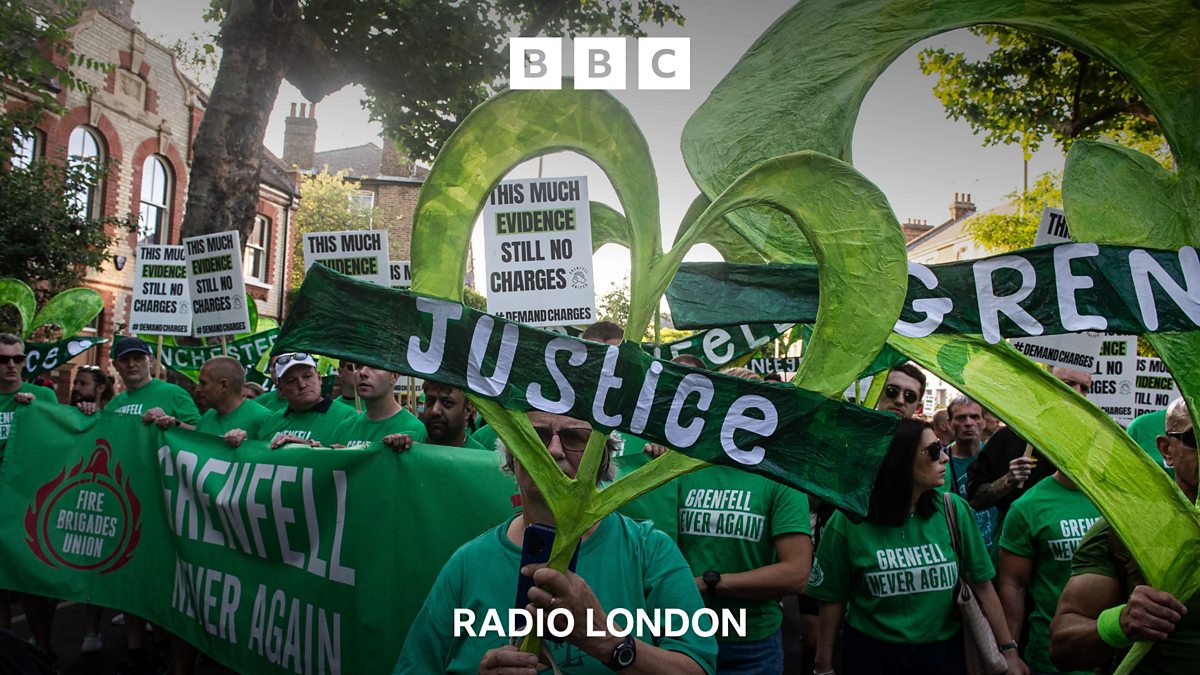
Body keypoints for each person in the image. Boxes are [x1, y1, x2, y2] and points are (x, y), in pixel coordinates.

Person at [394, 410, 718, 673]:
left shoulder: (648, 551)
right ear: (511, 456)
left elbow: (698, 667)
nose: (554, 451)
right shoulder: (468, 564)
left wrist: (608, 642)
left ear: (604, 460)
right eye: (536, 436)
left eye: (576, 438)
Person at [809, 419, 1027, 675]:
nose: (944, 458)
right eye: (933, 451)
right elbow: (832, 599)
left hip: (943, 655)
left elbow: (983, 586)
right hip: (871, 655)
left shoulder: (953, 510)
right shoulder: (849, 522)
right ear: (898, 460)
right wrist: (823, 665)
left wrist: (1009, 651)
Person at [676, 367, 812, 673]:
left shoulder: (780, 478)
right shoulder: (680, 467)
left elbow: (796, 573)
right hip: (684, 635)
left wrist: (709, 584)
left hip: (751, 644)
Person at [1050, 397, 1198, 674]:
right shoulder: (1122, 531)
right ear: (1167, 449)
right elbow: (1063, 644)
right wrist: (1119, 623)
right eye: (1194, 438)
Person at [86, 336, 200, 675]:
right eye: (125, 360)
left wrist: (172, 421)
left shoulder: (173, 394)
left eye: (139, 358)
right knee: (129, 577)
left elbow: (202, 433)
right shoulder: (116, 404)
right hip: (124, 503)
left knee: (161, 578)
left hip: (165, 502)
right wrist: (89, 414)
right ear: (116, 366)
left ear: (150, 361)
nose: (132, 364)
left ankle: (166, 644)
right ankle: (136, 652)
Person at [997, 467, 1100, 675]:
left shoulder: (1116, 497)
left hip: (1114, 654)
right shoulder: (1027, 507)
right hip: (1052, 658)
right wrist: (1010, 653)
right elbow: (1014, 586)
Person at [968, 367, 1093, 521]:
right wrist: (1008, 480)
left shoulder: (1094, 442)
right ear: (1044, 386)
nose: (1078, 393)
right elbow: (976, 500)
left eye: (1085, 388)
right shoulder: (1010, 437)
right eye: (1068, 384)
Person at [0, 334, 57, 638]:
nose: (12, 365)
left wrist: (36, 413)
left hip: (28, 506)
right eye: (3, 359)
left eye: (18, 359)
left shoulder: (43, 397)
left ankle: (44, 650)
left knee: (31, 585)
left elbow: (62, 439)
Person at [69, 364, 113, 655]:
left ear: (99, 389)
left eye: (83, 383)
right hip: (69, 498)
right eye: (75, 382)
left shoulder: (111, 419)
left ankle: (92, 629)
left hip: (100, 501)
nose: (76, 388)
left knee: (94, 569)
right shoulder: (62, 415)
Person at [226, 352, 358, 449]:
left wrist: (311, 449)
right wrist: (243, 445)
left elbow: (353, 465)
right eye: (291, 381)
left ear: (319, 378)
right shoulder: (272, 421)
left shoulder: (347, 417)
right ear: (280, 389)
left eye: (307, 376)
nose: (302, 384)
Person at [153, 356, 271, 438]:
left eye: (204, 383)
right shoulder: (208, 417)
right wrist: (174, 424)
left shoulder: (262, 419)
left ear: (224, 385)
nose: (198, 389)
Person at [945, 396, 1000, 554]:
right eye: (961, 417)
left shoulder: (997, 458)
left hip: (998, 553)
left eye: (975, 417)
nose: (968, 423)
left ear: (983, 422)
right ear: (949, 423)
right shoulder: (940, 462)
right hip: (961, 554)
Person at [335, 363, 426, 448]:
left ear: (394, 376)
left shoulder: (416, 431)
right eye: (359, 366)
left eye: (374, 365)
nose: (363, 372)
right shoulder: (345, 428)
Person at [420, 381, 485, 449]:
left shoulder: (482, 457)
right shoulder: (411, 444)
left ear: (468, 409)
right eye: (430, 401)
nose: (434, 410)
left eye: (447, 403)